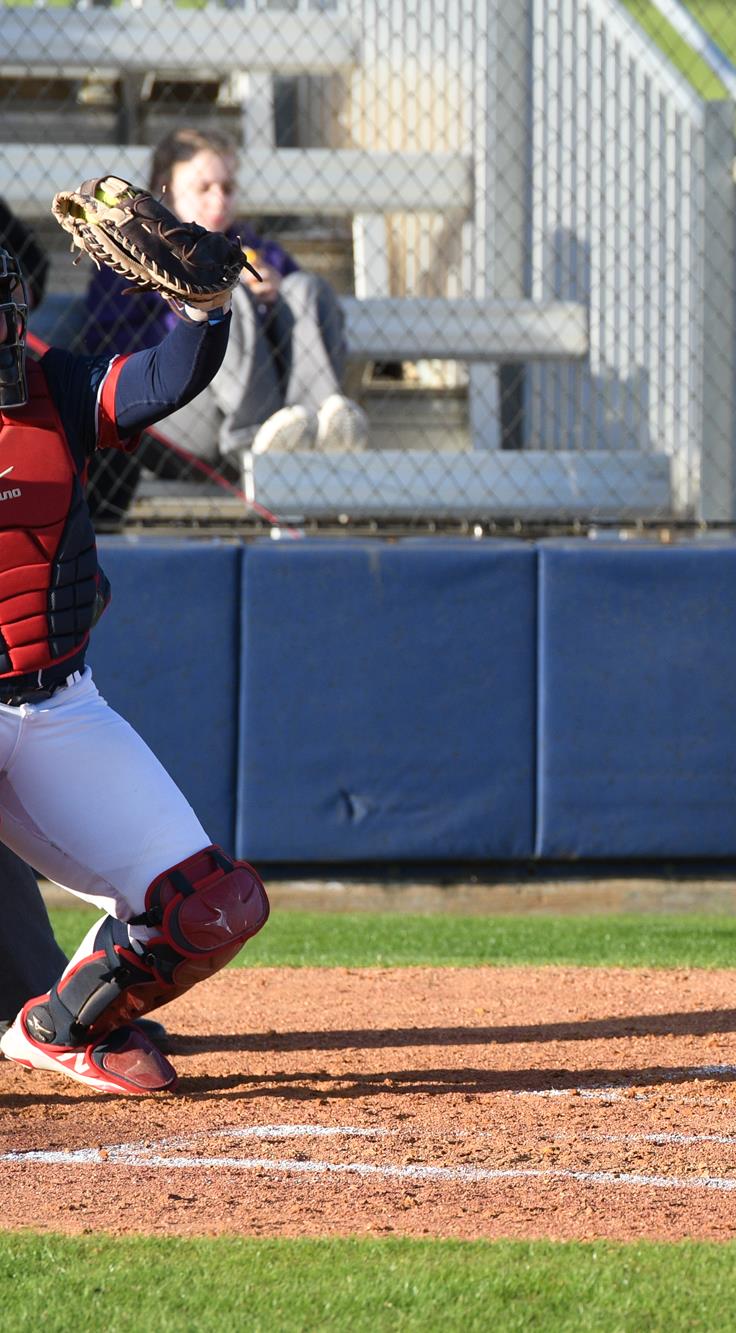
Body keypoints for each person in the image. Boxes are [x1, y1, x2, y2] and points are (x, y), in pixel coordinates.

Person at [0, 233, 269, 1094]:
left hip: (55, 708)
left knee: (212, 905)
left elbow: (162, 377)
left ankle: (62, 1025)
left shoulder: (55, 387)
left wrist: (203, 308)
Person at [74, 128, 364, 517]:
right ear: (167, 191)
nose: (219, 199)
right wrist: (186, 300)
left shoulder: (256, 251)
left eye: (227, 187)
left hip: (279, 409)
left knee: (304, 288)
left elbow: (311, 320)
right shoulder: (132, 251)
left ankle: (316, 429)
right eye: (203, 187)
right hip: (177, 414)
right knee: (224, 290)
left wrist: (276, 295)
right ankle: (256, 442)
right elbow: (108, 342)